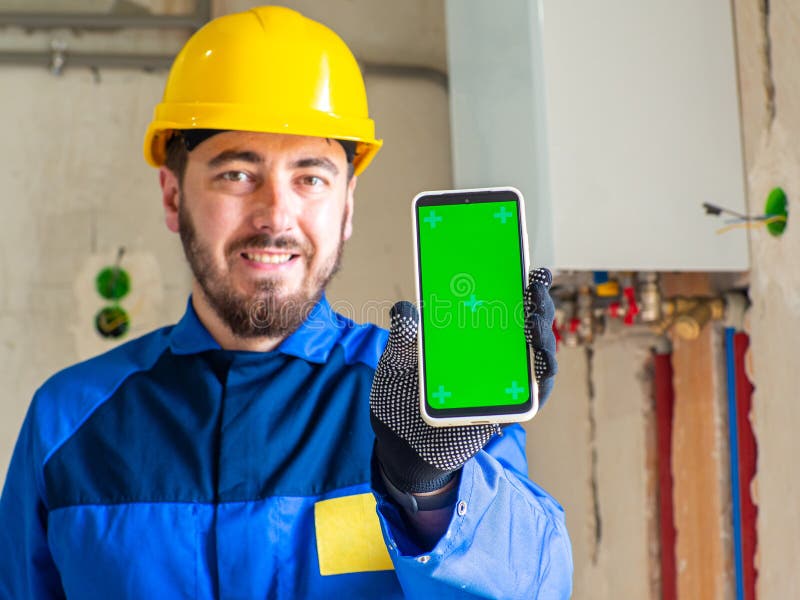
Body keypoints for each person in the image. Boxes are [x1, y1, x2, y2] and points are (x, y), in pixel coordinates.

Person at [0, 6, 572, 599]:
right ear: (173, 197)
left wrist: (428, 491)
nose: (275, 215)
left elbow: (534, 588)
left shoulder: (427, 394)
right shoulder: (67, 421)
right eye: (237, 175)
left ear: (347, 206)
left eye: (310, 178)